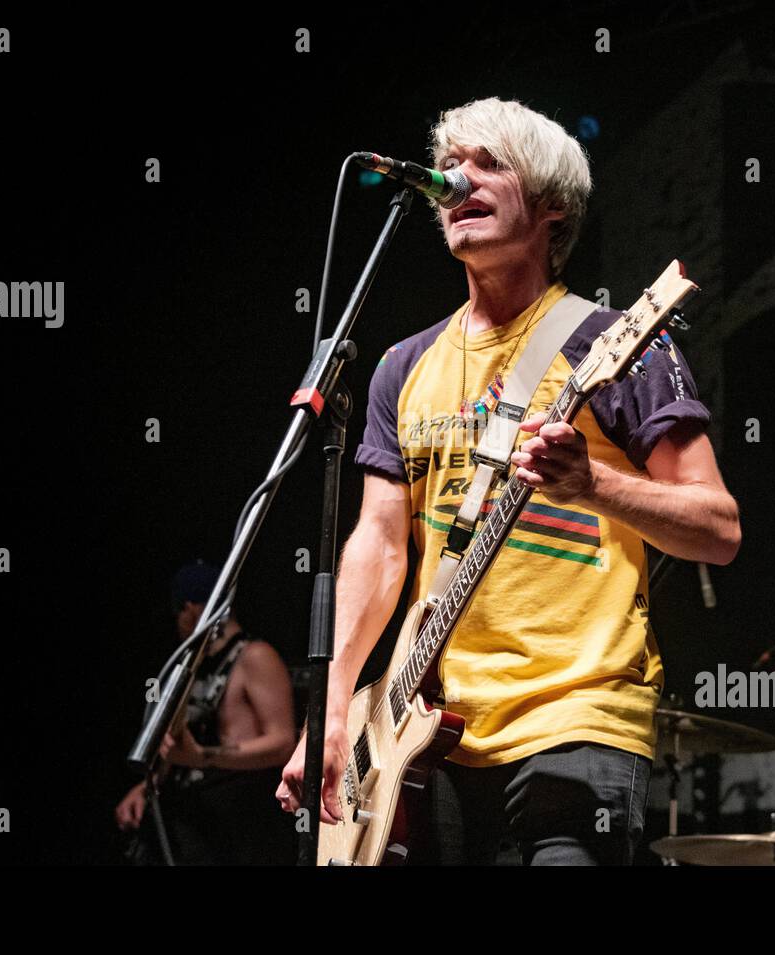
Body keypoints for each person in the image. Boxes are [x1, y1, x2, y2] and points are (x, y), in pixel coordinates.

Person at [276, 97, 740, 865]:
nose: (459, 180)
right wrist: (331, 705)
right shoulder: (402, 366)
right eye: (452, 166)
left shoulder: (614, 344)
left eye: (491, 164)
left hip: (581, 714)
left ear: (553, 206)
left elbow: (718, 530)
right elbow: (381, 546)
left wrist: (591, 483)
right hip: (431, 731)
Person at [115, 561, 298, 865]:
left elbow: (282, 743)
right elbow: (182, 748)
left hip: (236, 822)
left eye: (179, 612)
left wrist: (204, 756)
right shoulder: (194, 666)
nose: (177, 622)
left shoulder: (254, 656)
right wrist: (148, 786)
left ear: (191, 608)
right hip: (191, 818)